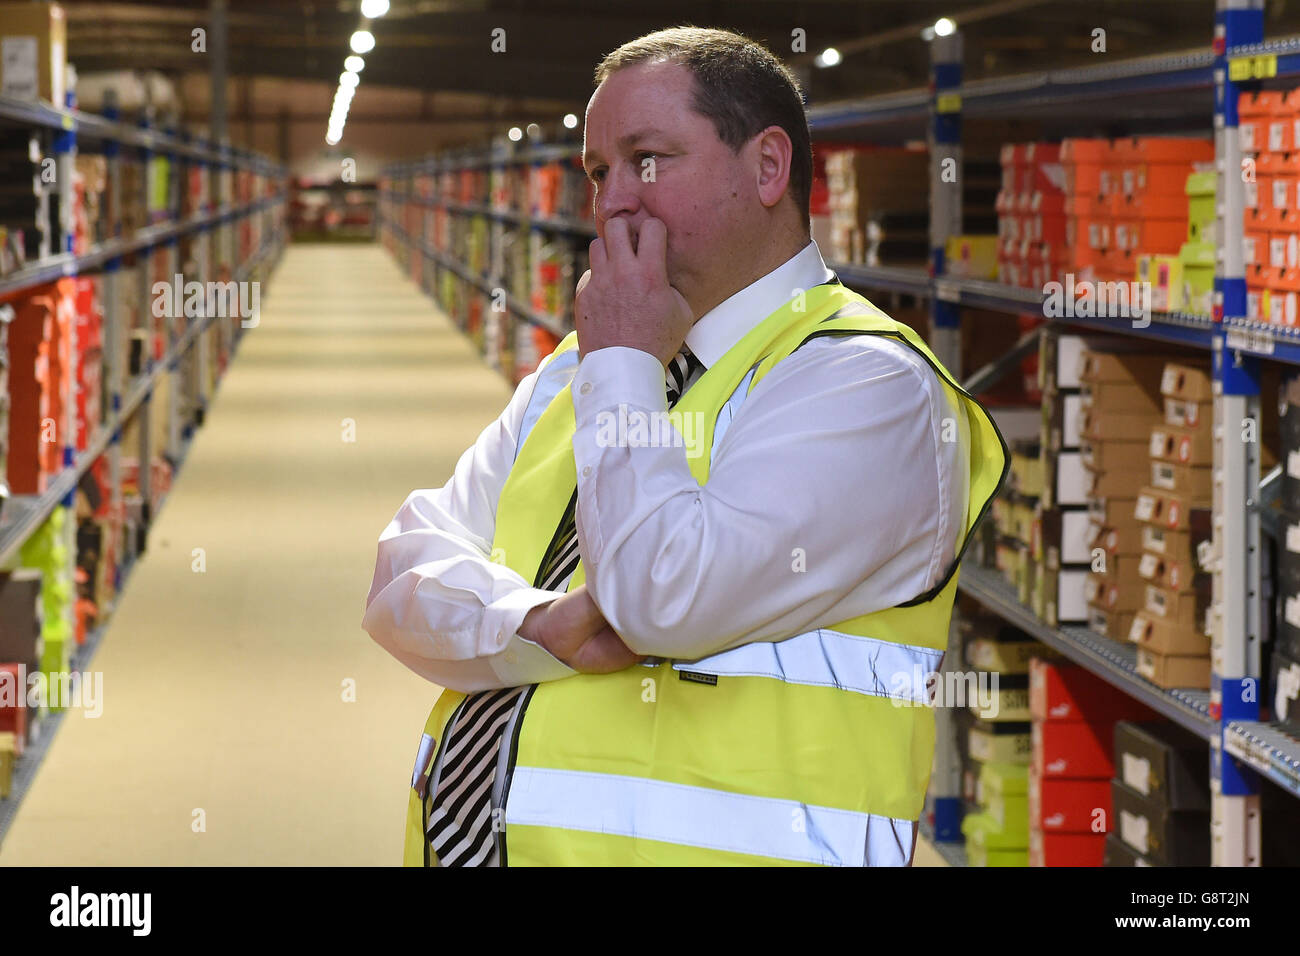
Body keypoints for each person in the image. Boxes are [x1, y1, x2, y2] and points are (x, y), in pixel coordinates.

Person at [362, 25, 1008, 867]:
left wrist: (627, 358)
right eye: (599, 171)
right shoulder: (577, 373)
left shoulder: (870, 389)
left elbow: (658, 598)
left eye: (649, 160)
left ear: (768, 167)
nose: (614, 201)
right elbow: (402, 574)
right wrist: (534, 621)